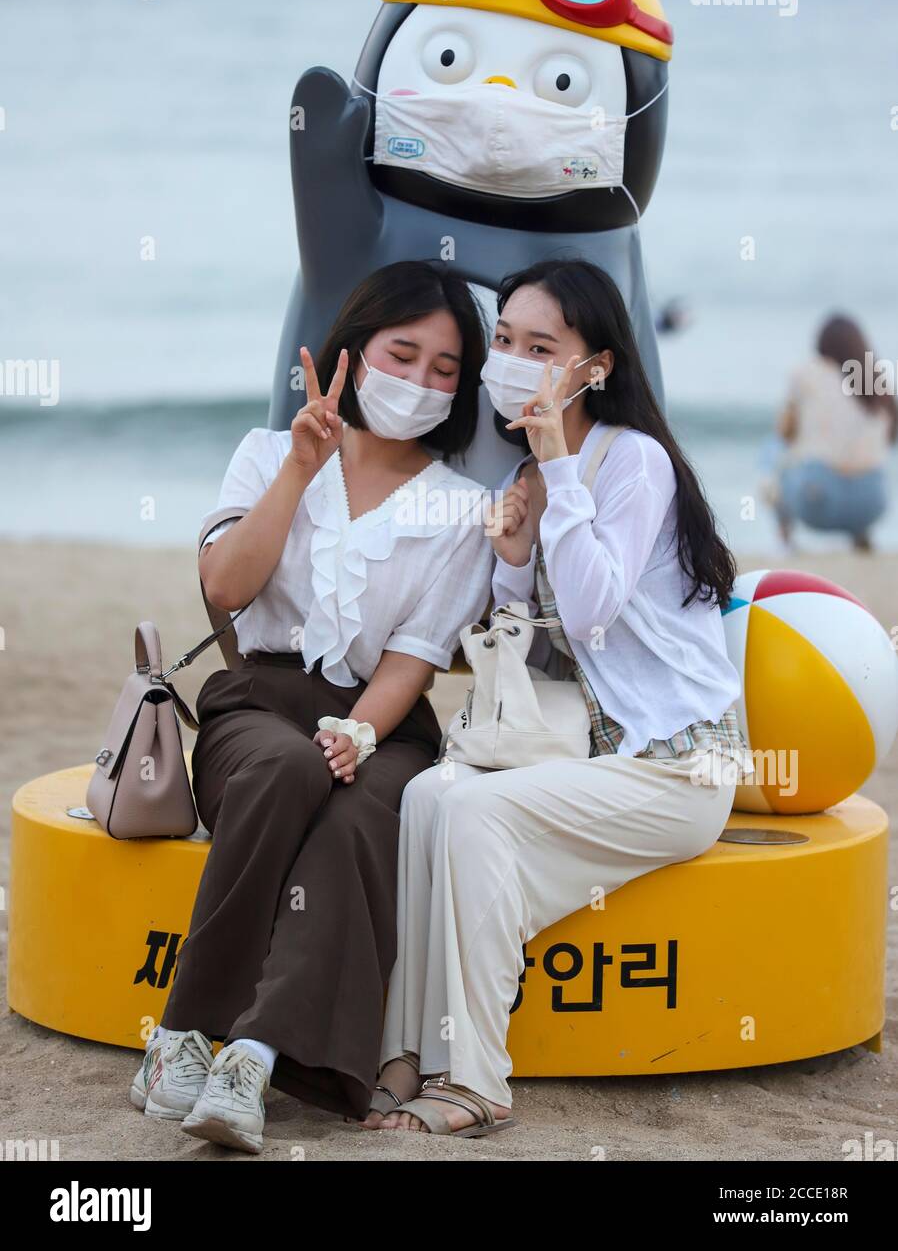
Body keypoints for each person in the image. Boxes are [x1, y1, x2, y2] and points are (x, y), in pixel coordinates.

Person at [365, 257, 755, 1137]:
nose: (511, 359)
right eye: (503, 340)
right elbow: (533, 647)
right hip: (594, 756)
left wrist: (554, 471)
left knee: (475, 818)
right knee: (431, 796)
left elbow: (592, 605)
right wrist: (511, 559)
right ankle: (406, 1051)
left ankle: (474, 1079)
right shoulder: (541, 478)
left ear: (596, 367)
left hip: (680, 767)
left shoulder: (633, 463)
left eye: (540, 346)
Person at [128, 260, 494, 1152]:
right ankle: (179, 1037)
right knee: (289, 767)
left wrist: (363, 730)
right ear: (352, 350)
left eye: (446, 370)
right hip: (258, 697)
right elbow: (224, 585)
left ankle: (251, 1055)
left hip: (386, 720)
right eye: (402, 354)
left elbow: (414, 657)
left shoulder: (464, 510)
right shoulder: (264, 453)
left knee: (357, 817)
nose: (420, 382)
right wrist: (300, 468)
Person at [764, 313, 897, 551]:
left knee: (772, 450)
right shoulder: (876, 379)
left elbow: (784, 432)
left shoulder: (806, 373)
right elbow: (889, 440)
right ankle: (860, 534)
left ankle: (785, 538)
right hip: (872, 502)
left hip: (819, 499)